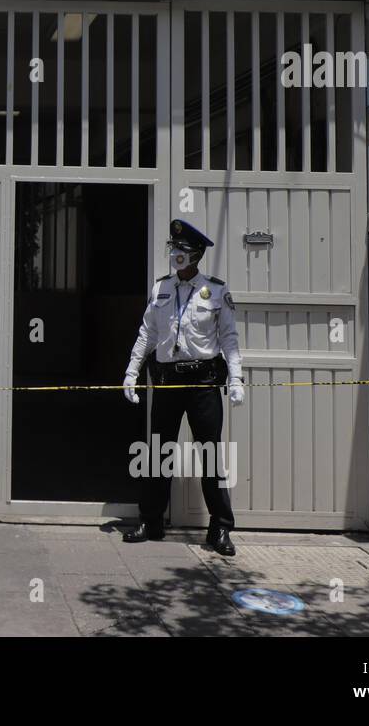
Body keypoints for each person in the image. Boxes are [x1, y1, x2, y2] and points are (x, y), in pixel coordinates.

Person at [121, 219, 244, 556]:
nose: (176, 255)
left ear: (197, 255)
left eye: (183, 251)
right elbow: (146, 334)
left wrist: (236, 378)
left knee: (209, 455)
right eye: (174, 249)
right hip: (168, 382)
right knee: (158, 452)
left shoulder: (217, 291)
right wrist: (132, 371)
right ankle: (151, 521)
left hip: (203, 382)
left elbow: (229, 339)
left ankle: (220, 527)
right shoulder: (160, 289)